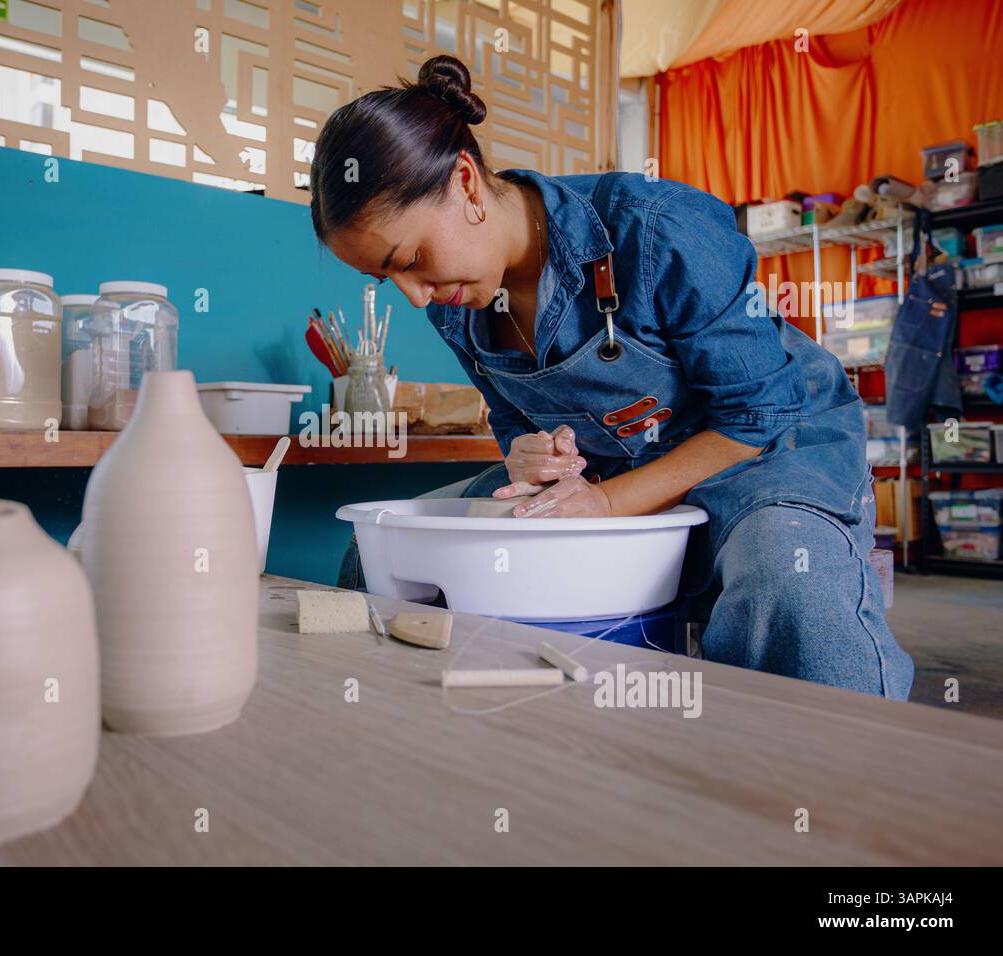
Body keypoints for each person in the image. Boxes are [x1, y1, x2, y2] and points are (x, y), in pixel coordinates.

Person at [307, 54, 914, 700]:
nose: (416, 298)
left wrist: (604, 504)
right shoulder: (459, 300)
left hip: (767, 452)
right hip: (612, 468)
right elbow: (516, 420)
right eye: (388, 278)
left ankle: (850, 788)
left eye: (412, 260)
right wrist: (533, 459)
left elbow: (756, 416)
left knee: (784, 580)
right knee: (381, 548)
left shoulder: (657, 228)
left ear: (464, 182)